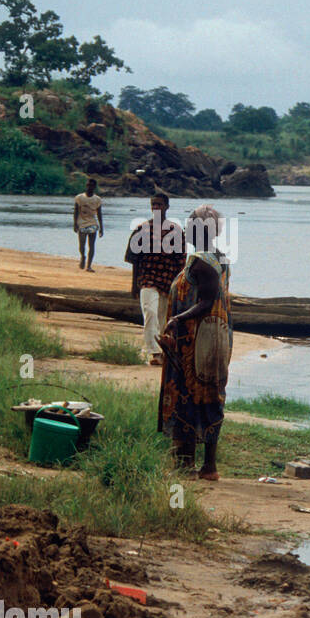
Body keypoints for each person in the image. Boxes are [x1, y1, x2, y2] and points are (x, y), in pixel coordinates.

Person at [157, 251, 231, 480]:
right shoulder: (217, 260)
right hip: (208, 338)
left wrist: (177, 319)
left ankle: (190, 465)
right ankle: (206, 466)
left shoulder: (203, 263)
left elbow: (206, 303)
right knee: (208, 397)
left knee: (191, 396)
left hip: (199, 344)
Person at [127, 192, 186, 366]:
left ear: (167, 207)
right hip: (147, 278)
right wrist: (134, 285)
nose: (156, 208)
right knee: (150, 313)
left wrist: (179, 286)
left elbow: (181, 262)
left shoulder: (175, 230)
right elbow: (135, 260)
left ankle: (164, 351)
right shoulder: (142, 229)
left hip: (168, 280)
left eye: (159, 205)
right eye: (154, 205)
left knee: (163, 318)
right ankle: (154, 352)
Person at [73, 178, 104, 271]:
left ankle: (89, 265)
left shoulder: (97, 199)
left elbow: (99, 213)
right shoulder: (79, 198)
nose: (89, 187)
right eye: (88, 185)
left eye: (91, 186)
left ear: (94, 187)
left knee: (92, 245)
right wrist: (75, 224)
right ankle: (83, 256)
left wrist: (101, 228)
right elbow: (75, 211)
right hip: (82, 223)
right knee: (81, 245)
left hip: (92, 224)